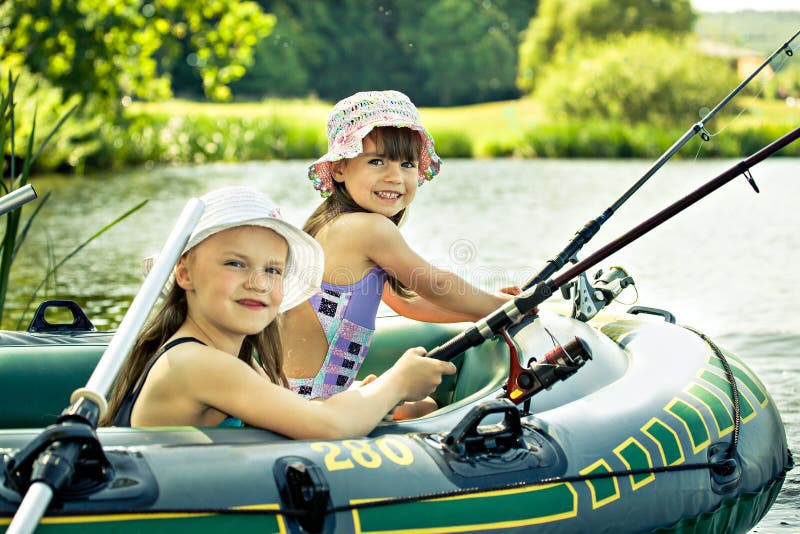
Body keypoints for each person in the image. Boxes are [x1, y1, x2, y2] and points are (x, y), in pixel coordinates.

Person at [101, 186, 456, 438]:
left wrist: (367, 396)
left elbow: (308, 410)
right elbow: (328, 427)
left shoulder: (231, 357)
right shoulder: (196, 363)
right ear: (184, 272)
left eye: (273, 270)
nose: (258, 282)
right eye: (236, 263)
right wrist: (397, 382)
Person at [283, 90, 515, 418]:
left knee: (424, 407)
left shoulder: (328, 223)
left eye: (407, 164)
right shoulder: (368, 229)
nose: (395, 176)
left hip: (304, 393)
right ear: (339, 169)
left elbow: (407, 301)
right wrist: (506, 307)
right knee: (427, 410)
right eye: (377, 161)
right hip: (311, 404)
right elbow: (433, 284)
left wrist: (487, 310)